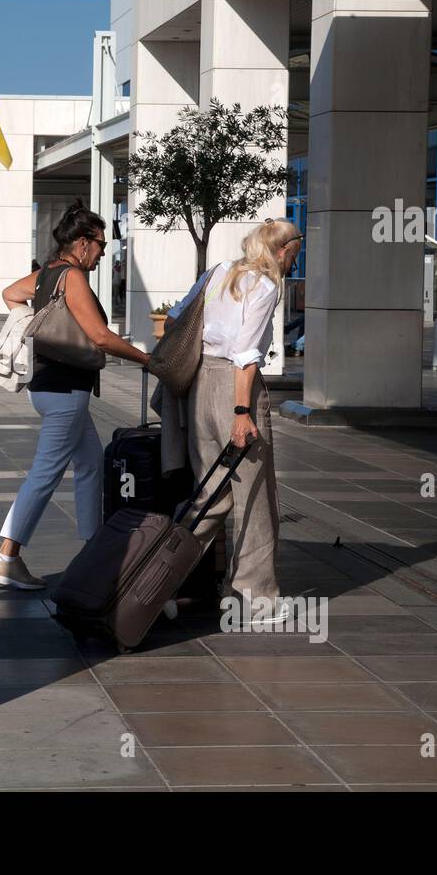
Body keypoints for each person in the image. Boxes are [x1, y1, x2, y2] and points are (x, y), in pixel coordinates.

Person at [0, 201, 151, 590]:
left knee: (91, 463)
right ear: (82, 243)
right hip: (66, 391)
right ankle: (6, 556)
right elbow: (100, 337)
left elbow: (11, 294)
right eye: (101, 245)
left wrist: (38, 325)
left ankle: (91, 547)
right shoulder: (73, 277)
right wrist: (150, 360)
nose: (102, 252)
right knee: (44, 475)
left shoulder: (46, 274)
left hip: (46, 387)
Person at [166, 219, 303, 625]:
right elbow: (246, 354)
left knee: (212, 493)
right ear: (282, 252)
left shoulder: (220, 271)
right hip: (235, 390)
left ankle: (161, 577)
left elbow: (175, 318)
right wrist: (242, 413)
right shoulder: (265, 286)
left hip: (200, 385)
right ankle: (256, 600)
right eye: (295, 253)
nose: (295, 260)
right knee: (254, 498)